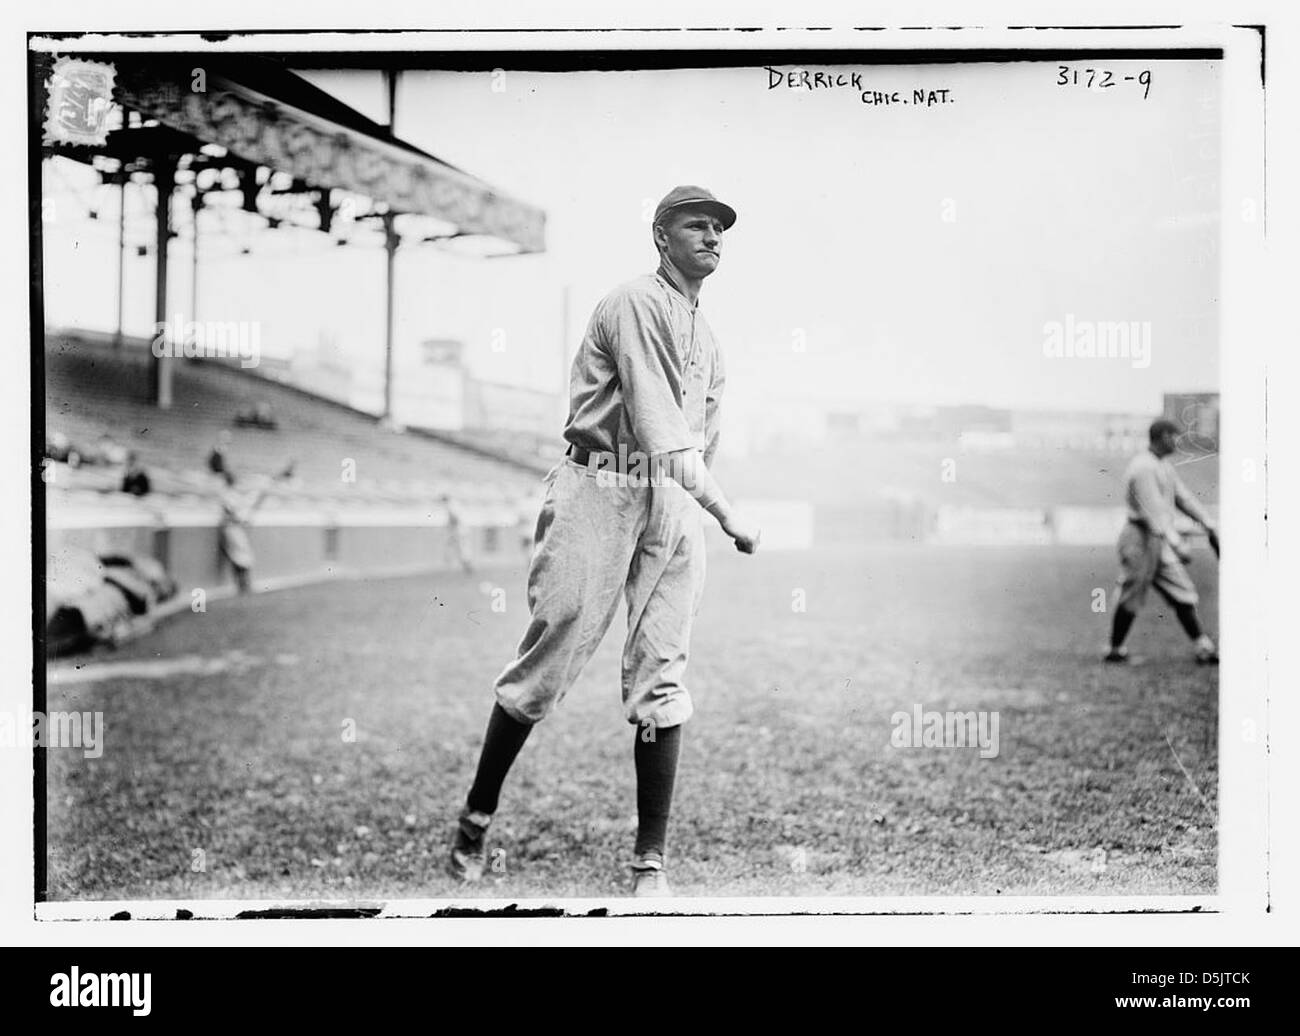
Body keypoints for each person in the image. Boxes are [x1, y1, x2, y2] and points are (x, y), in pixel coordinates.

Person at [445, 186, 760, 898]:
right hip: (600, 486)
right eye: (697, 225)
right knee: (549, 656)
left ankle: (650, 863)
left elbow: (700, 443)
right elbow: (659, 429)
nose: (713, 237)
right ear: (660, 237)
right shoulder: (633, 303)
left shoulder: (709, 339)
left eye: (720, 229)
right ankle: (475, 816)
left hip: (670, 501)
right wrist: (729, 513)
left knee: (663, 673)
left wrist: (697, 503)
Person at [1105, 418, 1220, 665]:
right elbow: (1153, 512)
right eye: (1174, 436)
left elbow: (1184, 498)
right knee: (1132, 592)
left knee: (1182, 590)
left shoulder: (1162, 465)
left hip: (1158, 539)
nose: (1177, 441)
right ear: (1162, 436)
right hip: (1139, 538)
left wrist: (1207, 523)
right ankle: (1116, 649)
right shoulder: (1143, 467)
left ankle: (1203, 647)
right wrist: (1176, 542)